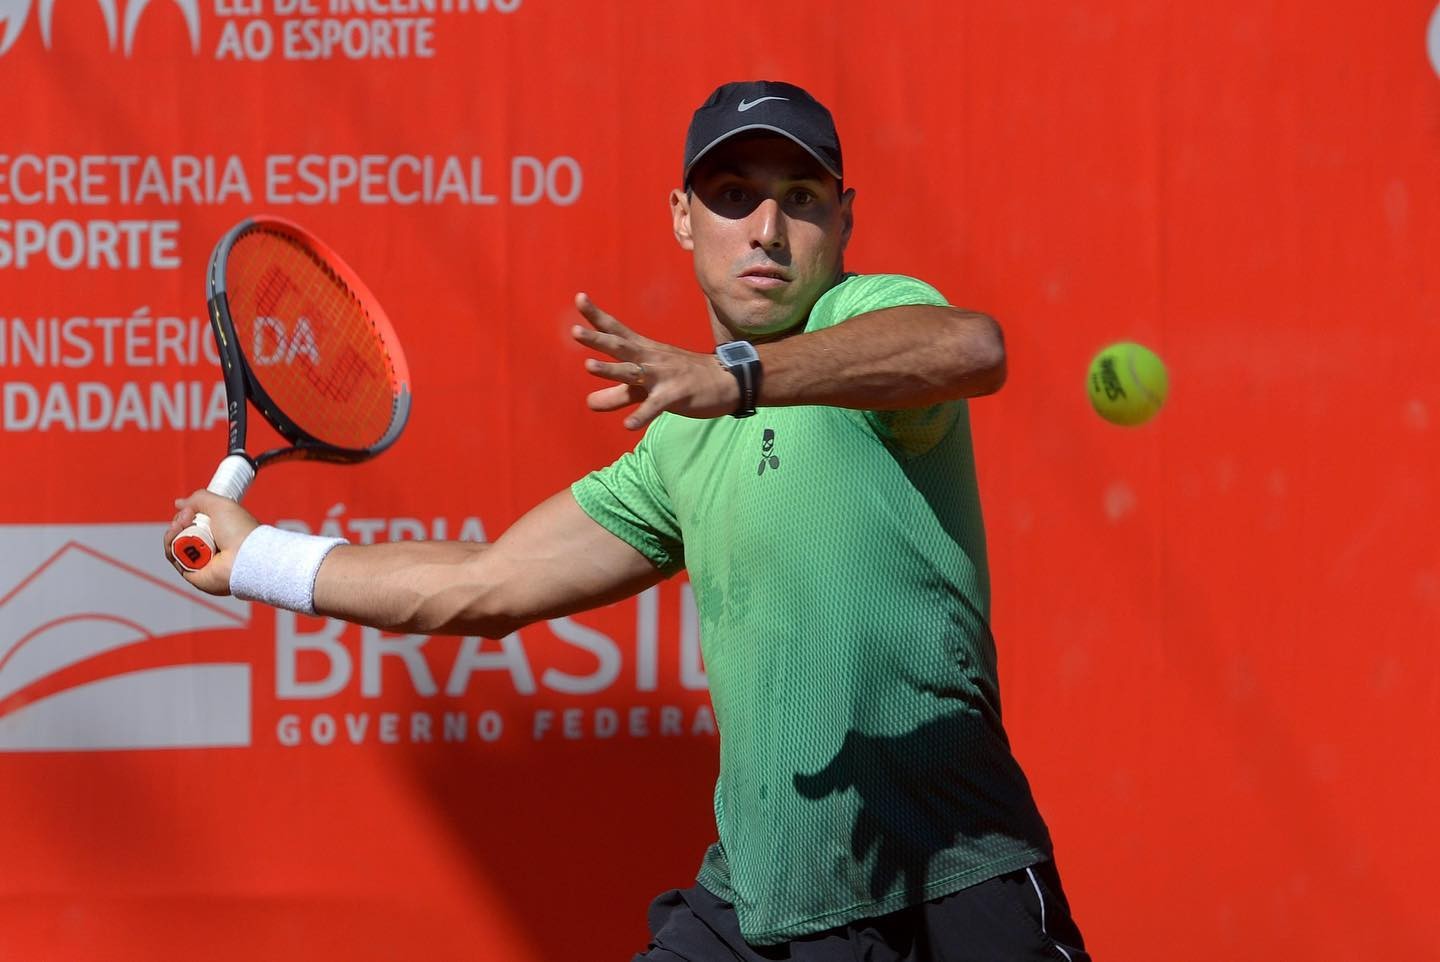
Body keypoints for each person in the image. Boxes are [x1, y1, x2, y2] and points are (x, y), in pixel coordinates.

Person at [166, 80, 1090, 962]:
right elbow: (482, 584)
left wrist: (736, 375)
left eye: (800, 198)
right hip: (759, 907)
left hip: (951, 882)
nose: (767, 229)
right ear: (683, 218)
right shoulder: (678, 447)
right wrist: (257, 560)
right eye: (733, 196)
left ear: (843, 220)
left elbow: (972, 346)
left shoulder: (870, 316)